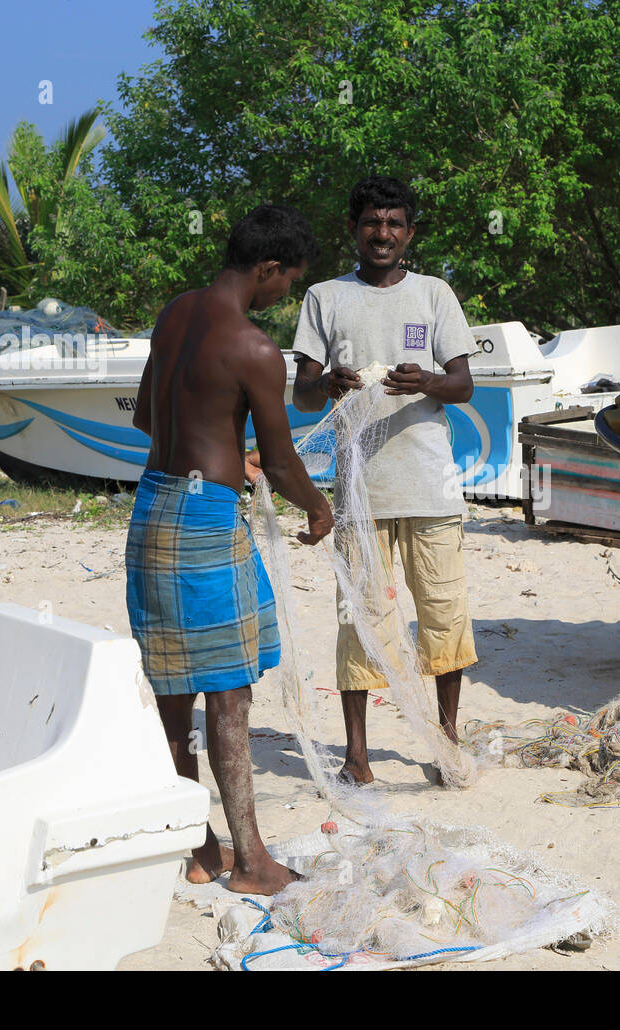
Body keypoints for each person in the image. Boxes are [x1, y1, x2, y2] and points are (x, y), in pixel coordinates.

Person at [127, 204, 333, 894]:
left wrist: (212, 441)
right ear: (267, 269)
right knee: (229, 691)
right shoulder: (253, 348)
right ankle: (250, 860)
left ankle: (194, 844)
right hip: (206, 524)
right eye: (286, 283)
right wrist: (318, 505)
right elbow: (279, 462)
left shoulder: (175, 313)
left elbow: (150, 417)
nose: (283, 297)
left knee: (172, 686)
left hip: (153, 507)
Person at [249, 175, 477, 785]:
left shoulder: (435, 294)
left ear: (409, 232)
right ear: (354, 230)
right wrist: (327, 384)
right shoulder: (324, 297)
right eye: (372, 223)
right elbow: (301, 395)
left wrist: (426, 381)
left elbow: (463, 384)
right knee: (360, 620)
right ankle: (356, 757)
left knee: (444, 615)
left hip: (430, 486)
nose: (383, 234)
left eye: (394, 224)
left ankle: (448, 742)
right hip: (358, 492)